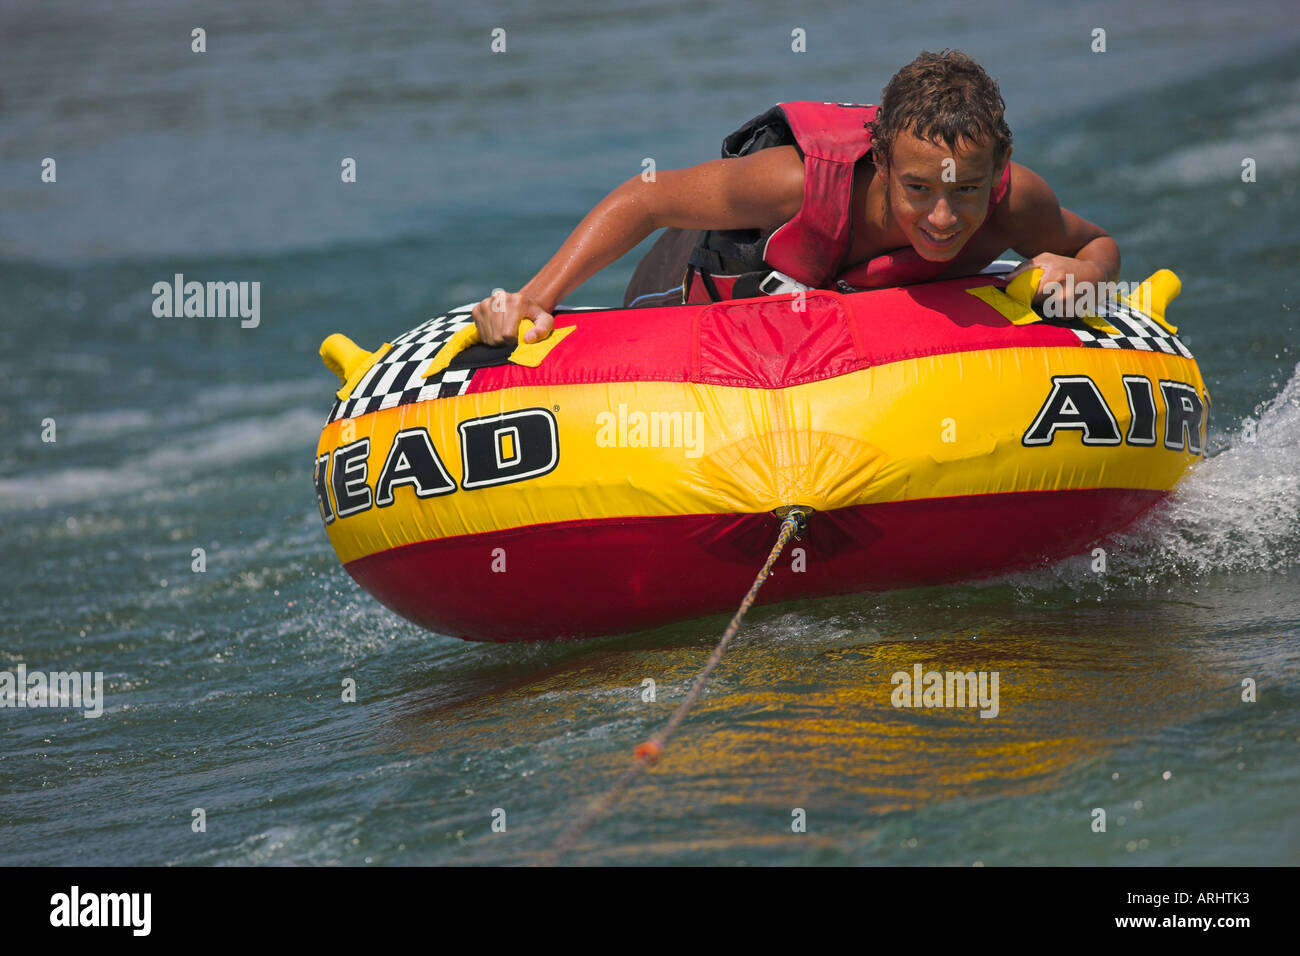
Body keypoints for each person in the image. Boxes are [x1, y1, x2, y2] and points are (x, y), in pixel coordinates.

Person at [471, 49, 1119, 346]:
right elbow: (646, 199)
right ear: (882, 160)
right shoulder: (799, 183)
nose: (944, 217)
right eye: (917, 189)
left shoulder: (1016, 201)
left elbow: (1098, 244)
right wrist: (535, 297)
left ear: (998, 169)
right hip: (691, 286)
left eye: (966, 191)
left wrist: (1084, 272)